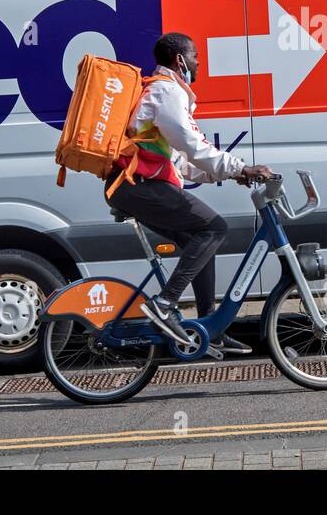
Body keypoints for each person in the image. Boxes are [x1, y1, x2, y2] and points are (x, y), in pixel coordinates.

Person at [106, 32, 273, 354]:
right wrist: (239, 167)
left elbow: (180, 163)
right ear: (180, 60)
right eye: (195, 56)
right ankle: (164, 304)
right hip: (139, 187)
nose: (199, 62)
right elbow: (191, 145)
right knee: (213, 228)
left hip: (135, 188)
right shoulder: (167, 92)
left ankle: (212, 326)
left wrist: (228, 173)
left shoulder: (164, 93)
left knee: (199, 242)